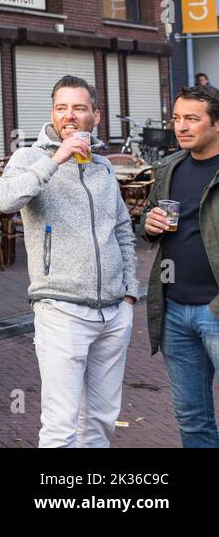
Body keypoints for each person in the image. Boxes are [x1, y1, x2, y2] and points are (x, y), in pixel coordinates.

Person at [0, 75, 140, 446]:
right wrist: (56, 160)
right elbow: (4, 200)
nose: (69, 116)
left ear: (96, 114)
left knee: (102, 420)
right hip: (61, 309)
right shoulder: (30, 157)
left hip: (113, 312)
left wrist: (129, 293)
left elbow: (122, 228)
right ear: (52, 113)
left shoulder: (104, 168)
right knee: (61, 426)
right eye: (61, 108)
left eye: (78, 108)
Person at [142, 86, 219, 447]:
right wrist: (148, 223)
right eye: (176, 118)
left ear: (216, 123)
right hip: (173, 310)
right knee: (192, 418)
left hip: (215, 308)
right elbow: (149, 219)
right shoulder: (169, 168)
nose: (181, 127)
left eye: (192, 118)